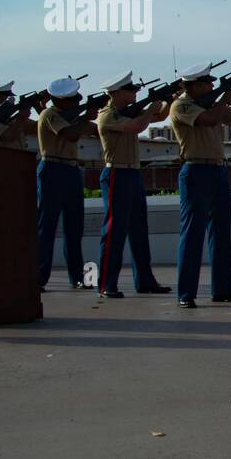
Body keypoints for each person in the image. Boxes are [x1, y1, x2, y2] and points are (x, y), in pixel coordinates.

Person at [170, 62, 231, 309]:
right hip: (196, 170)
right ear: (194, 85)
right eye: (207, 82)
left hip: (217, 169)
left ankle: (223, 289)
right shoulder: (181, 105)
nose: (211, 85)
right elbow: (207, 120)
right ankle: (186, 292)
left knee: (221, 234)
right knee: (193, 234)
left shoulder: (209, 103)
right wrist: (223, 100)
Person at [94, 71, 171, 298]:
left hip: (132, 173)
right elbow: (138, 126)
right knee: (114, 231)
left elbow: (159, 117)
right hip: (117, 172)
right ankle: (107, 283)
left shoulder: (128, 112)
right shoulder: (107, 115)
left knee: (139, 230)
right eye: (130, 91)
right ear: (116, 93)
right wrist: (149, 108)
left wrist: (167, 100)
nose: (135, 94)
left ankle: (145, 280)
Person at [36, 78, 98, 290]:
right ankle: (39, 277)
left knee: (74, 227)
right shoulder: (50, 115)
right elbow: (70, 135)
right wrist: (85, 118)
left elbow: (92, 130)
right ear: (60, 101)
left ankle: (77, 276)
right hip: (53, 168)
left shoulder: (69, 116)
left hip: (71, 169)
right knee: (47, 227)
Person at [0, 81, 42, 149]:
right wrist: (20, 118)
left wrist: (42, 109)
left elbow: (40, 128)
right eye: (8, 99)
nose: (12, 102)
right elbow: (8, 137)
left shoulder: (14, 120)